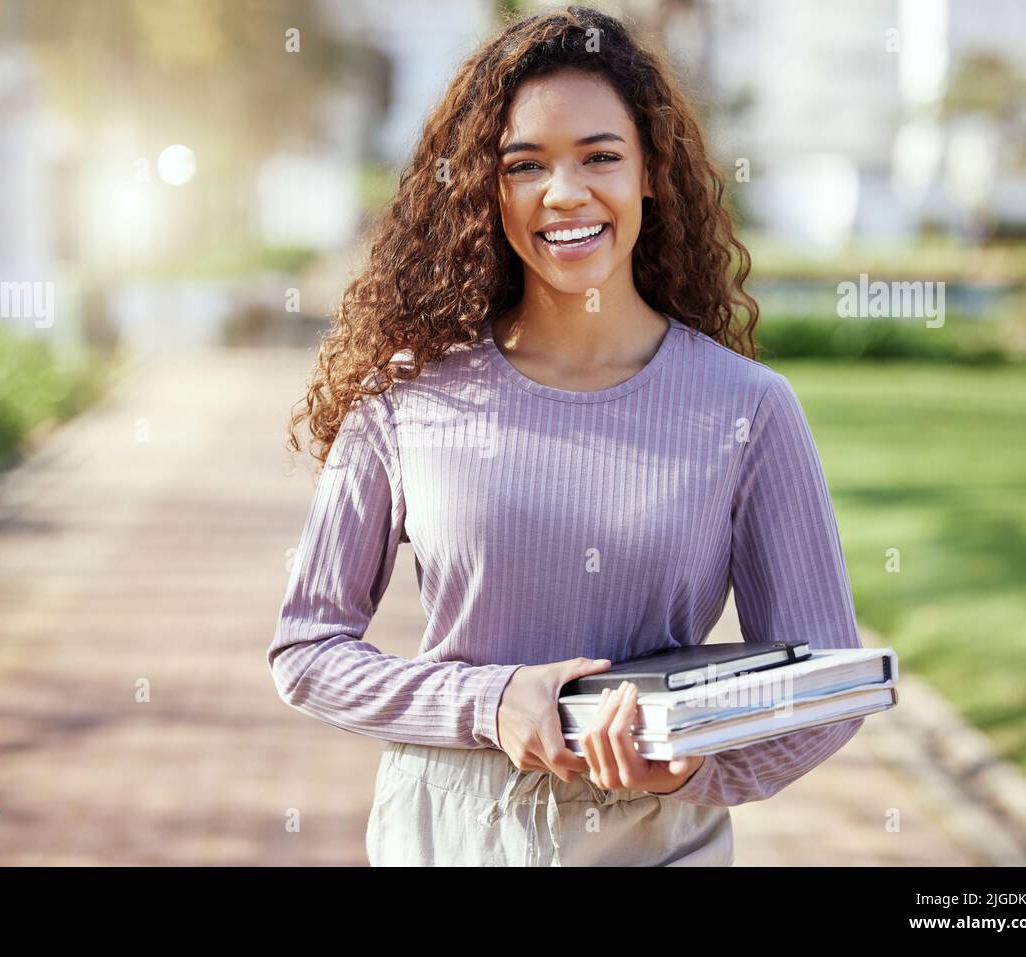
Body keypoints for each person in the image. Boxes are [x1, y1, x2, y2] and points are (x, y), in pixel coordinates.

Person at [267, 5, 865, 866]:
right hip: (448, 836)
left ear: (651, 172)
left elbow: (828, 689)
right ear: (487, 188)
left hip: (655, 842)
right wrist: (489, 700)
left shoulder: (749, 408)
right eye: (525, 165)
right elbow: (308, 648)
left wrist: (692, 767)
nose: (565, 193)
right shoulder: (404, 393)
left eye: (600, 157)